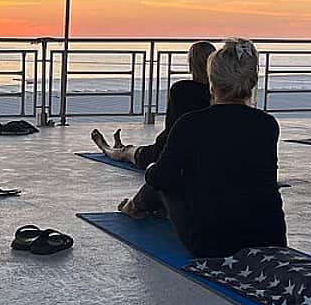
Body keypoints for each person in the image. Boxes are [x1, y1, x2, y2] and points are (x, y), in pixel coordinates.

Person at [120, 38, 287, 258]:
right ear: (252, 81)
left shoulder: (190, 124)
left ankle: (133, 206)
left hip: (213, 241)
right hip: (268, 237)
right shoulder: (267, 124)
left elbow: (162, 179)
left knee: (162, 178)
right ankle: (137, 205)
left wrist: (151, 168)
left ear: (211, 81)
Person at [91, 40, 215, 167]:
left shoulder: (181, 89)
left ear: (191, 64)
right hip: (206, 150)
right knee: (133, 150)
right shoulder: (221, 93)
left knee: (126, 153)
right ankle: (120, 147)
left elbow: (172, 128)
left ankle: (105, 147)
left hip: (168, 152)